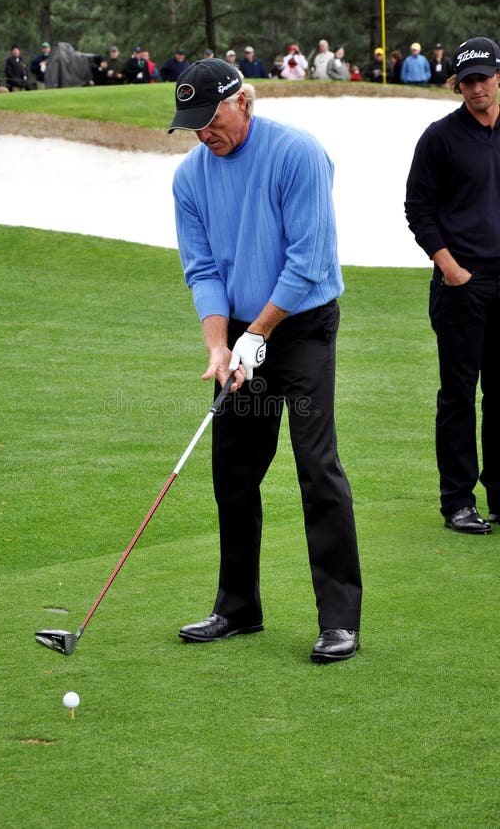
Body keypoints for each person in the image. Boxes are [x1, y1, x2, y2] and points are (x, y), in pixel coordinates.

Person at [167, 58, 363, 662]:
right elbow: (202, 270)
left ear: (243, 103)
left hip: (302, 327)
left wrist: (259, 333)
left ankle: (339, 620)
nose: (204, 133)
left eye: (212, 118)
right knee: (232, 469)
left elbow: (309, 258)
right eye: (193, 124)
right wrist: (219, 345)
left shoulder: (296, 153)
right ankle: (237, 608)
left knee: (316, 464)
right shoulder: (189, 178)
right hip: (240, 333)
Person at [404, 36, 500, 535]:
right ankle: (458, 501)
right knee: (459, 395)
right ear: (456, 85)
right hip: (461, 284)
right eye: (467, 81)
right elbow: (417, 209)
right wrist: (449, 267)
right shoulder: (440, 138)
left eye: (483, 78)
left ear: (499, 76)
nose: (476, 88)